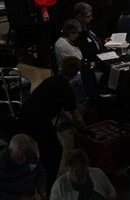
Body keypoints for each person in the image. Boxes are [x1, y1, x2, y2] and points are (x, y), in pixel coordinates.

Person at [19, 57, 85, 189]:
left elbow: (59, 108)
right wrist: (85, 128)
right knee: (54, 150)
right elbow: (76, 117)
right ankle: (48, 184)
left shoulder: (51, 80)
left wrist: (71, 122)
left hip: (26, 114)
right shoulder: (66, 89)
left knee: (45, 148)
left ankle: (41, 176)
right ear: (75, 73)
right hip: (38, 120)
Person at [47, 148, 117, 200]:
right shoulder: (60, 184)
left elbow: (111, 191)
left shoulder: (98, 173)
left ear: (85, 166)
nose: (75, 174)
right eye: (71, 170)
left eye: (78, 170)